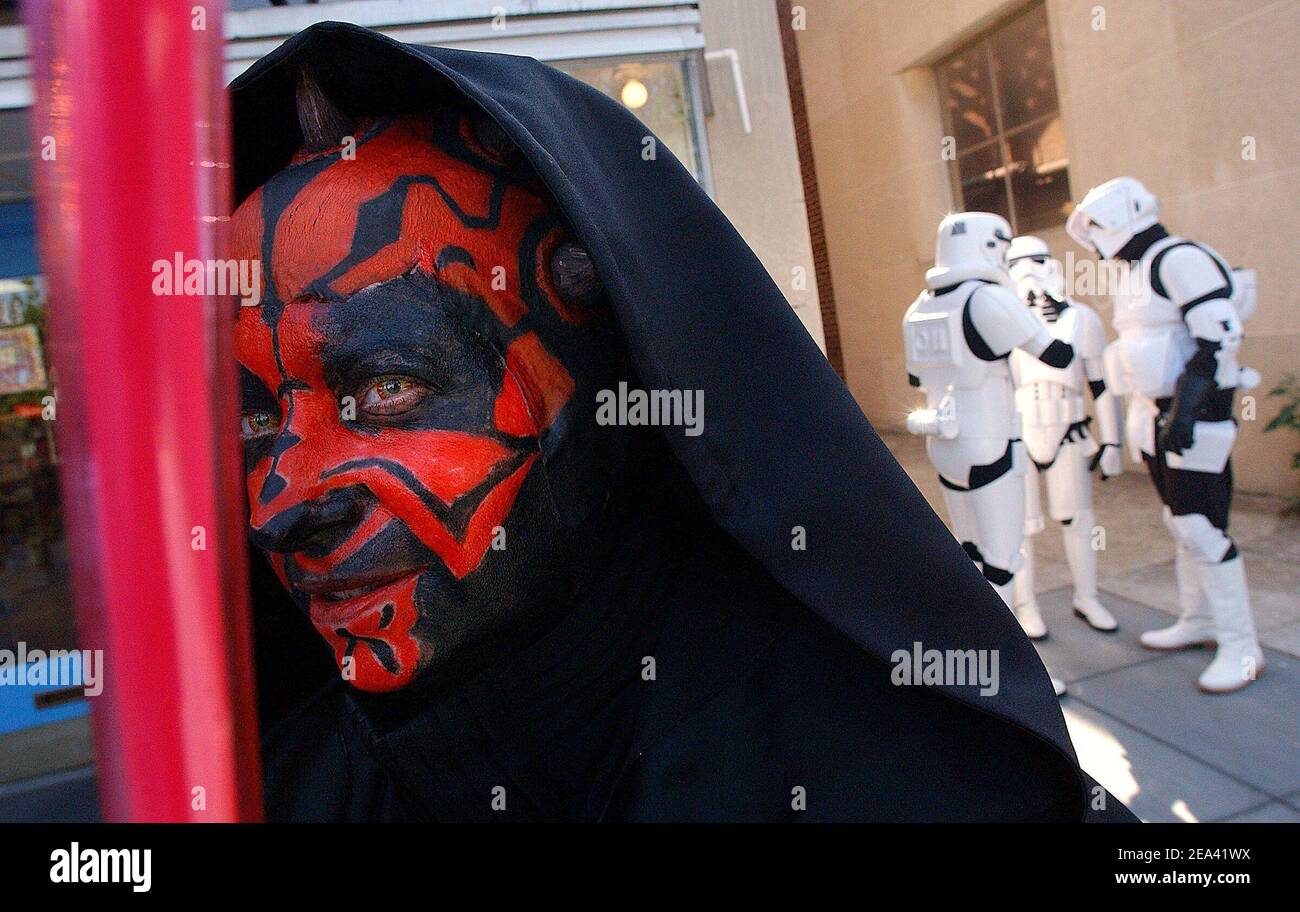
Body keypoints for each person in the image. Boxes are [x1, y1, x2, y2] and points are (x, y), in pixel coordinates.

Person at [231, 22, 1133, 820]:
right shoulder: (276, 782)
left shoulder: (911, 777)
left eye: (388, 390)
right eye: (257, 416)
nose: (277, 506)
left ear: (604, 377)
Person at [1067, 176, 1262, 694]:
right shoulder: (1138, 270)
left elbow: (1219, 334)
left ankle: (1242, 646)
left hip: (1195, 417)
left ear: (1124, 216)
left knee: (1201, 527)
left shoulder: (1179, 258)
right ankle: (1199, 620)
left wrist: (1189, 412)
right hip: (1154, 416)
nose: (1094, 238)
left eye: (1098, 225)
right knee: (1179, 523)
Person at [903, 213, 1075, 698]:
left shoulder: (918, 307)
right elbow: (1058, 355)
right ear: (990, 245)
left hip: (945, 447)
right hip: (990, 443)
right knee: (1002, 561)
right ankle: (1006, 675)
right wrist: (1053, 304)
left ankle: (974, 658)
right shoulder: (989, 300)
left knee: (971, 557)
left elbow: (918, 380)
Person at [1005, 235, 1123, 640]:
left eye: (1036, 261)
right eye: (1018, 264)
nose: (1029, 273)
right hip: (1020, 428)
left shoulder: (1082, 319)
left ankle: (1087, 596)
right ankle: (1026, 605)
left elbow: (1101, 383)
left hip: (1070, 425)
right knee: (1020, 526)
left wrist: (1113, 441)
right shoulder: (1002, 322)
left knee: (1079, 518)